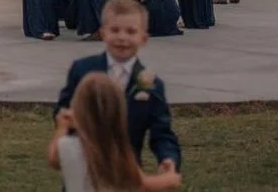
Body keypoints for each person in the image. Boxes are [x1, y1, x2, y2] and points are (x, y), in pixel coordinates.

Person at [54, 0, 181, 174]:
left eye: (131, 31)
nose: (122, 37)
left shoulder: (152, 85)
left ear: (144, 38)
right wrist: (70, 124)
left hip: (127, 174)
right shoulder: (82, 70)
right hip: (84, 170)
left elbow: (162, 133)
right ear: (103, 33)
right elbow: (62, 111)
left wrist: (168, 159)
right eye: (115, 30)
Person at [50, 72, 184, 192]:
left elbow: (53, 159)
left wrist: (62, 127)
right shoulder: (115, 152)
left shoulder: (68, 146)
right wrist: (171, 178)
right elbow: (142, 185)